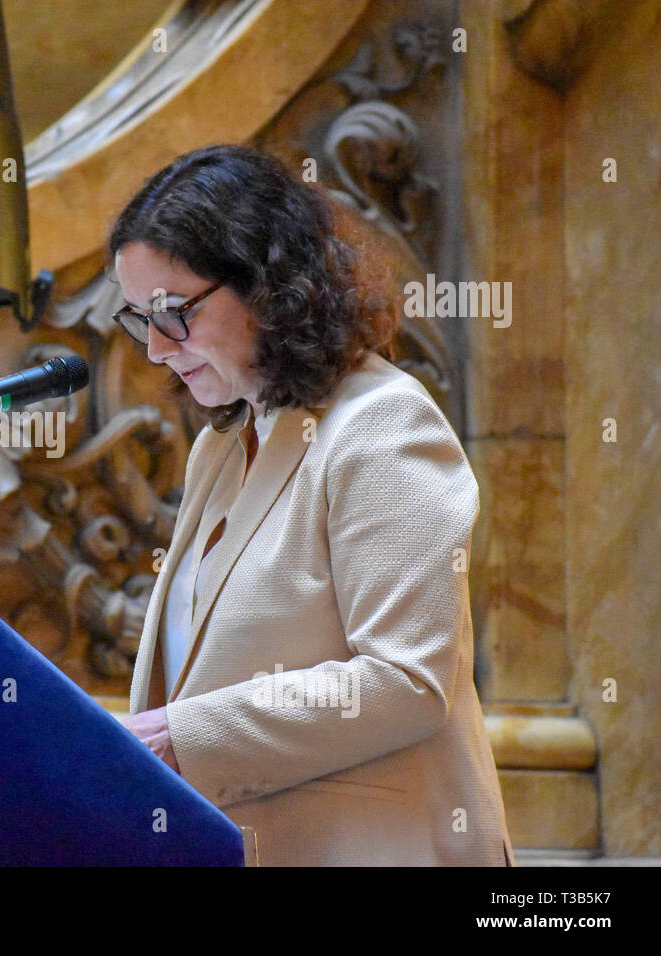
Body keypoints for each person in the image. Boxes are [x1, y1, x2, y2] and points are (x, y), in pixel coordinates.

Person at [108, 144, 512, 866]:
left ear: (264, 282)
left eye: (173, 314)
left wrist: (177, 739)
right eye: (139, 319)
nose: (156, 351)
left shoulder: (382, 424)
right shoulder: (225, 444)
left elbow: (404, 681)